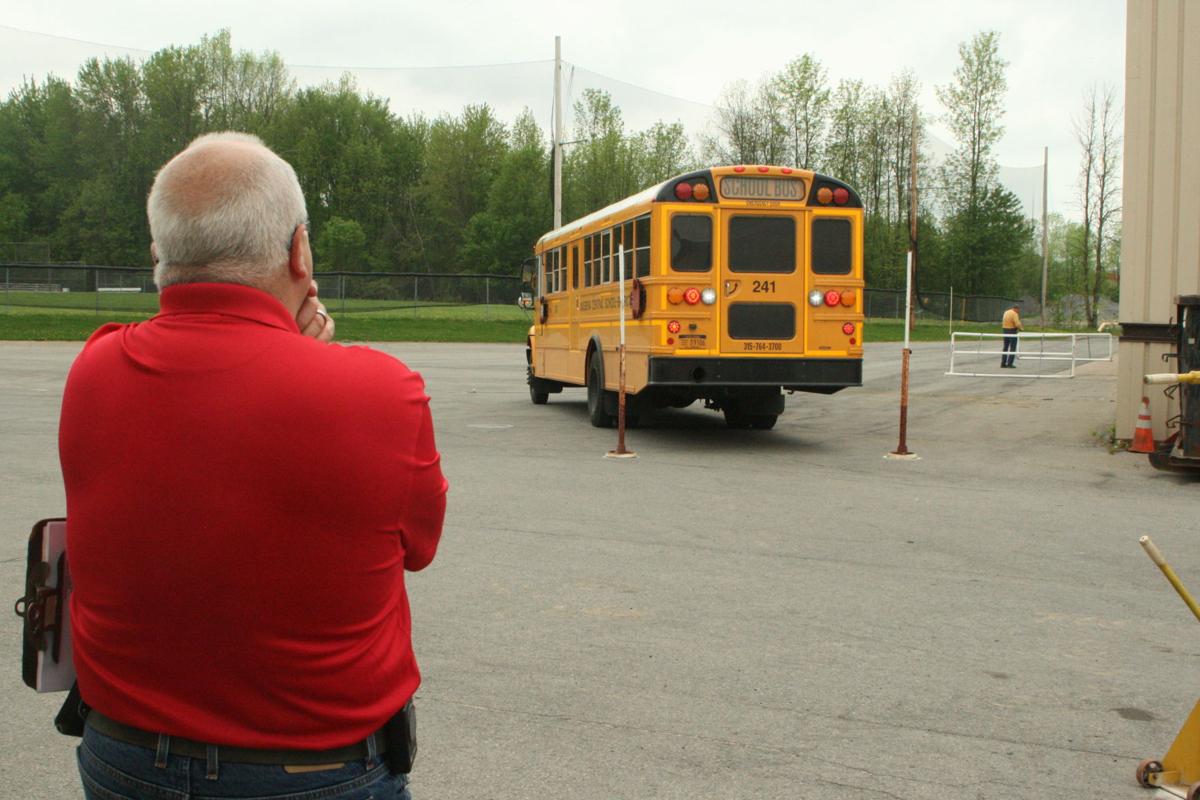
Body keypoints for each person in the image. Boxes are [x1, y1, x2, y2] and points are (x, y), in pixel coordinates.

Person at [58, 132, 447, 800]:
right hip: (313, 771)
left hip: (122, 756)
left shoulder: (94, 369)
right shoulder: (382, 390)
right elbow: (420, 547)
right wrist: (303, 353)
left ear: (159, 255)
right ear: (300, 251)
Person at [1000, 302, 1023, 368]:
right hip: (1012, 331)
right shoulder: (1014, 314)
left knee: (1005, 347)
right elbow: (1017, 323)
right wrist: (1021, 328)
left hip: (1005, 330)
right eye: (1018, 309)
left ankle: (1003, 363)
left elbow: (1003, 320)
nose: (1018, 311)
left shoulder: (1006, 312)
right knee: (1013, 347)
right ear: (1016, 309)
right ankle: (1010, 364)